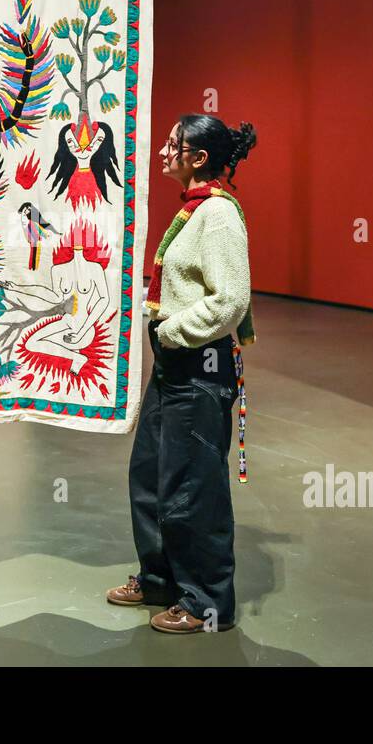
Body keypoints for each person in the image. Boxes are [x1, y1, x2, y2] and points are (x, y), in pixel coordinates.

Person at [107, 113, 258, 634]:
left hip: (198, 364)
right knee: (150, 475)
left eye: (173, 145)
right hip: (174, 366)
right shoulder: (192, 213)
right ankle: (160, 580)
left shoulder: (217, 216)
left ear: (198, 158)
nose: (163, 151)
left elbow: (231, 299)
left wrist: (173, 332)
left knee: (194, 488)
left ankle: (206, 602)